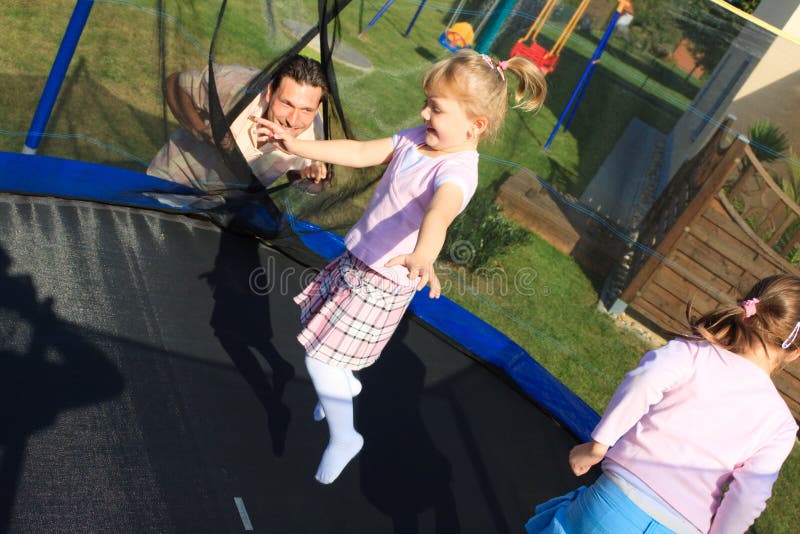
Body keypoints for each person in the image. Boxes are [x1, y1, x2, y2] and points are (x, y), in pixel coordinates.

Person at [253, 49, 546, 484]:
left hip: (383, 280)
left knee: (320, 359)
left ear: (475, 125)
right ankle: (344, 386)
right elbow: (360, 150)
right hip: (358, 261)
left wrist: (425, 254)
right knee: (319, 331)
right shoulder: (418, 140)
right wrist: (297, 145)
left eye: (437, 108)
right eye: (427, 102)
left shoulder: (457, 170)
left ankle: (345, 435)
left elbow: (440, 213)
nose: (424, 111)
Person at [525, 274, 800, 534]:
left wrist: (599, 445)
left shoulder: (694, 354)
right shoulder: (781, 424)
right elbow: (750, 494)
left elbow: (644, 381)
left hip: (616, 503)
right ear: (794, 353)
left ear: (746, 311)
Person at [147, 55, 328, 192]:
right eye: (287, 103)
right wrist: (201, 130)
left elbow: (301, 178)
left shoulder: (314, 131)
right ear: (269, 91)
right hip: (174, 181)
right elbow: (174, 84)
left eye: (306, 110)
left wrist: (307, 178)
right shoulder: (238, 86)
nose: (293, 120)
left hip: (223, 211)